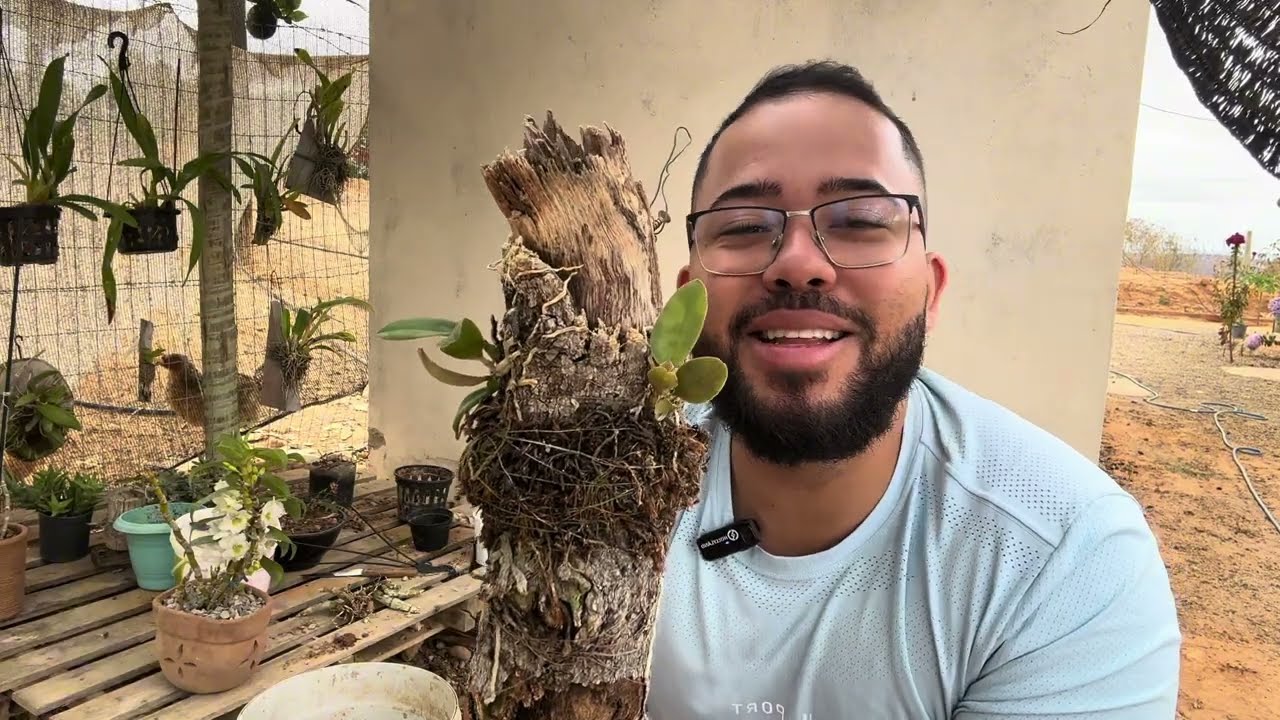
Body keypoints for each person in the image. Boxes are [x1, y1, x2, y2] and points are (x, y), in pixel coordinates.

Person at [646, 60, 1181, 719]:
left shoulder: (1063, 560)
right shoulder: (589, 490)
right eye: (745, 227)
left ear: (932, 291)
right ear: (684, 306)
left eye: (861, 220)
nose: (798, 264)